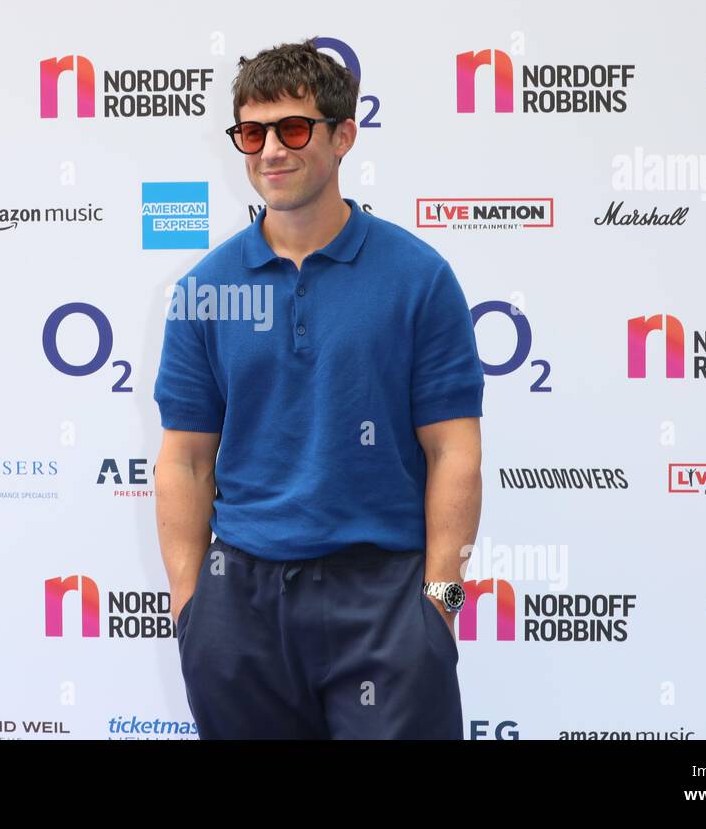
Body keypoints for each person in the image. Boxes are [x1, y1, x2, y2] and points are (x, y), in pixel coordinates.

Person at [152, 38, 484, 739]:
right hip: (239, 606)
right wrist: (191, 609)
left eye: (294, 129)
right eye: (253, 133)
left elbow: (454, 450)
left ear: (343, 137)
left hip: (386, 599)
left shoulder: (419, 278)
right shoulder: (204, 289)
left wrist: (441, 606)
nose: (271, 150)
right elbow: (185, 460)